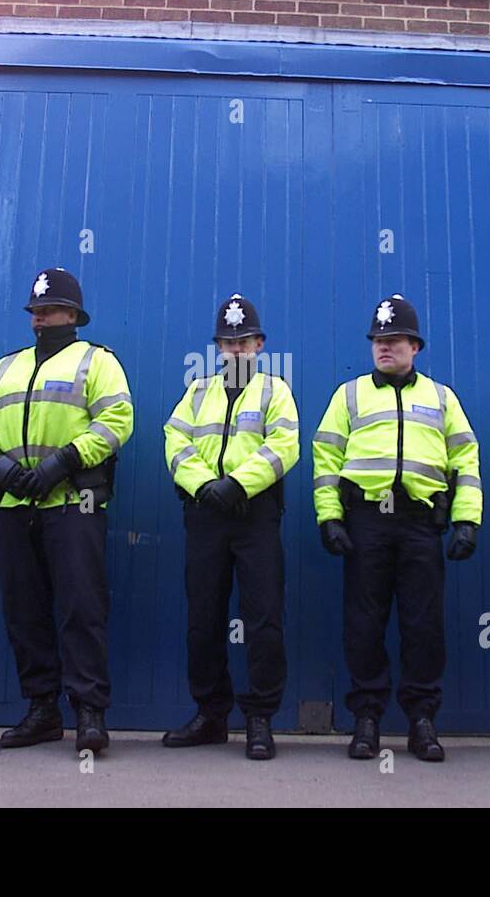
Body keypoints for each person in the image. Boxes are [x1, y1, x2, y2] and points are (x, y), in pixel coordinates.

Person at [0, 268, 133, 756]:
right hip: (17, 504)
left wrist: (63, 461)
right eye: (35, 311)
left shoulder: (96, 361)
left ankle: (89, 712)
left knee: (82, 609)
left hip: (72, 504)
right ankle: (41, 709)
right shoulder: (6, 367)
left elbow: (117, 420)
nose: (40, 319)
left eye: (49, 310)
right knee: (25, 611)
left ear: (73, 315)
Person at [312, 294, 481, 762]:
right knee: (363, 624)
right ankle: (366, 719)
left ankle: (421, 721)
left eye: (395, 340)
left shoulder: (442, 398)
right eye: (378, 340)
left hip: (419, 523)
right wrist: (329, 516)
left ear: (416, 346)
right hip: (366, 521)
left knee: (423, 625)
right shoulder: (349, 396)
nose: (385, 347)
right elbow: (325, 459)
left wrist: (467, 519)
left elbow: (466, 460)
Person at [162, 294, 299, 760]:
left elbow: (285, 445)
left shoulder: (275, 391)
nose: (235, 349)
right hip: (206, 516)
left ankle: (259, 719)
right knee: (203, 620)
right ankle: (211, 716)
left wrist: (239, 485)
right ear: (218, 346)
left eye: (244, 342)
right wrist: (205, 486)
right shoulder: (198, 391)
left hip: (254, 516)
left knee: (263, 619)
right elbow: (175, 440)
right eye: (227, 342)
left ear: (260, 345)